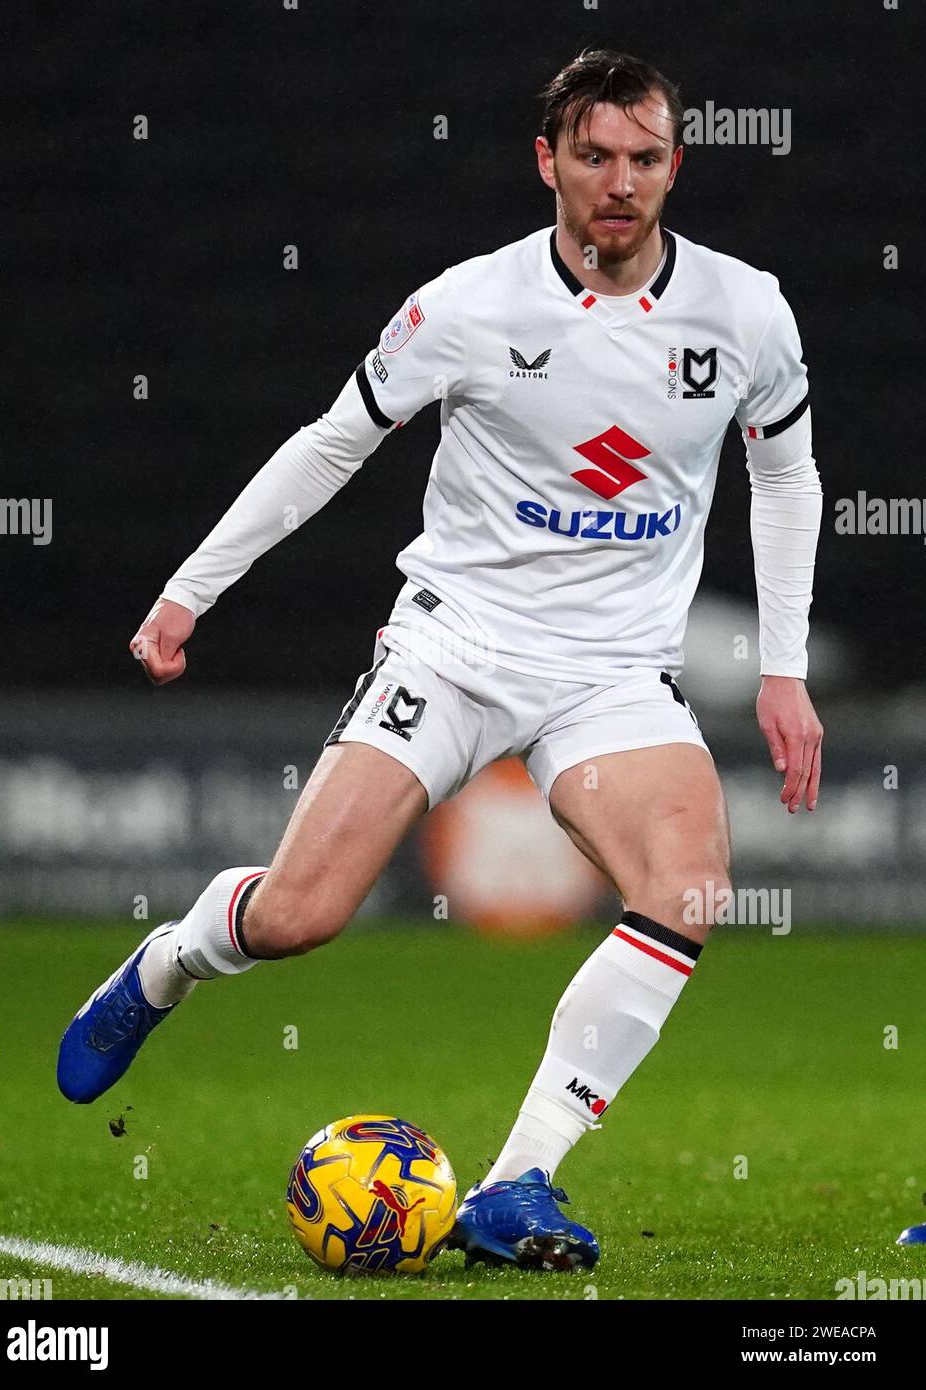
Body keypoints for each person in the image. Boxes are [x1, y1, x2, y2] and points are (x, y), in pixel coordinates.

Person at [58, 47, 823, 1272]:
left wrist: (781, 666)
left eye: (645, 158)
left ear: (676, 163)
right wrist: (186, 593)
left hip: (615, 670)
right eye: (594, 157)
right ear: (548, 162)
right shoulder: (468, 306)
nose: (620, 183)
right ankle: (172, 959)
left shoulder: (745, 310)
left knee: (686, 883)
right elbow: (328, 446)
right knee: (302, 914)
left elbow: (784, 471)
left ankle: (519, 1181)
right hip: (456, 644)